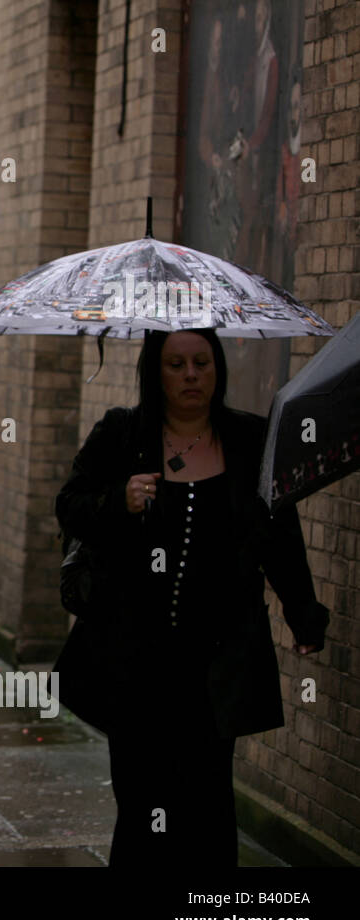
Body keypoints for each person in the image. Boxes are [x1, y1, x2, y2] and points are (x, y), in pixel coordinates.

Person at [56, 328, 328, 867]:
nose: (191, 376)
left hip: (217, 660)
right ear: (155, 371)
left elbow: (278, 535)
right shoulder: (122, 434)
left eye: (202, 363)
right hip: (135, 657)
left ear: (217, 369)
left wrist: (304, 616)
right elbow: (69, 505)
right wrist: (120, 501)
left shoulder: (249, 440)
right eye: (176, 364)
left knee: (207, 803)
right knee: (141, 803)